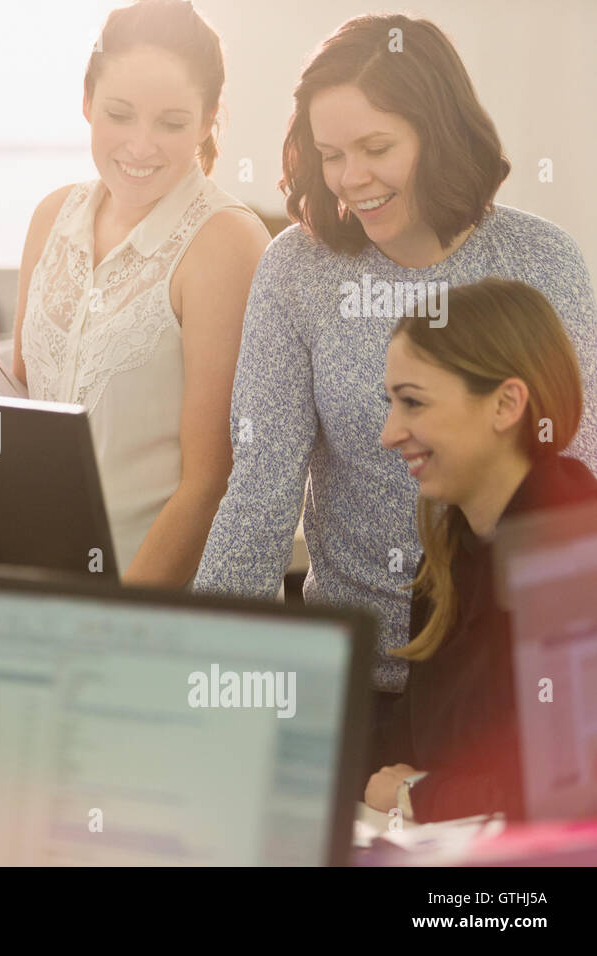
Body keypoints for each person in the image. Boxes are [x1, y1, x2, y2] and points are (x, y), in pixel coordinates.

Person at [193, 15, 597, 735]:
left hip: (503, 679)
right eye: (331, 153)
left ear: (437, 134)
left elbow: (573, 480)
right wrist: (203, 671)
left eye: (376, 148)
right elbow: (259, 491)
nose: (352, 178)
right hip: (349, 685)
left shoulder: (542, 263)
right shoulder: (298, 270)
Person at [0, 0, 268, 584]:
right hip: (40, 574)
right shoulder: (53, 215)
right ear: (86, 102)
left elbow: (210, 483)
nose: (140, 145)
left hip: (147, 600)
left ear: (208, 120)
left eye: (172, 122)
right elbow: (30, 406)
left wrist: (111, 623)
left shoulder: (224, 242)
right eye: (119, 114)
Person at [365, 278, 594, 822]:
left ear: (506, 404)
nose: (388, 434)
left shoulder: (569, 554)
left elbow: (568, 795)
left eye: (412, 403)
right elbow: (416, 736)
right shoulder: (451, 551)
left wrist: (414, 797)